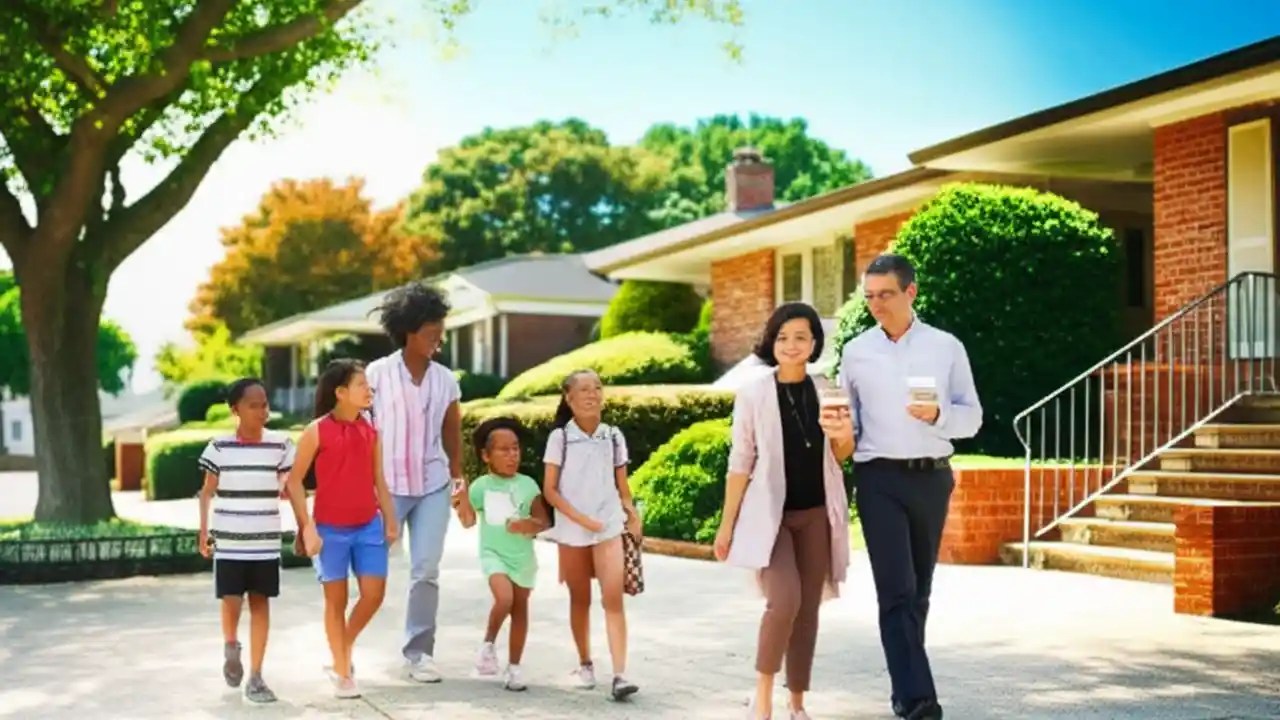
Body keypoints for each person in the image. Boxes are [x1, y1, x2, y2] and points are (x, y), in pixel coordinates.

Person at [837, 254, 982, 720]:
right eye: (870, 296)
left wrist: (939, 414)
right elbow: (848, 421)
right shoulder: (856, 351)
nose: (876, 304)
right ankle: (920, 698)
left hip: (932, 477)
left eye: (886, 294)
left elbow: (973, 418)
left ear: (911, 292)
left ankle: (904, 690)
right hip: (877, 477)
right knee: (896, 589)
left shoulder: (946, 347)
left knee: (919, 592)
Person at [711, 303, 853, 720]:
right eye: (783, 337)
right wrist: (726, 527)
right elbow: (740, 462)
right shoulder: (754, 393)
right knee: (784, 601)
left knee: (808, 609)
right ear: (771, 342)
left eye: (801, 337)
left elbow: (841, 454)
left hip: (816, 515)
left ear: (814, 343)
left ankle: (797, 703)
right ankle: (762, 696)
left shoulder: (827, 389)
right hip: (770, 519)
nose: (791, 345)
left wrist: (843, 434)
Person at [365, 281, 467, 683]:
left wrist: (458, 479)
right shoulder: (376, 375)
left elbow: (452, 432)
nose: (437, 339)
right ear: (408, 331)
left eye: (441, 332)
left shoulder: (446, 380)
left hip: (432, 486)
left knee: (426, 570)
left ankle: (419, 652)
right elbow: (362, 431)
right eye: (430, 333)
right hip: (387, 488)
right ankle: (343, 642)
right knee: (368, 568)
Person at [284, 358, 400, 700]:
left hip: (368, 526)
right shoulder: (317, 430)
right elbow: (293, 482)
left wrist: (391, 519)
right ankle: (343, 671)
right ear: (340, 392)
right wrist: (306, 527)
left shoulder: (371, 431)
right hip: (329, 530)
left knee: (374, 595)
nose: (369, 390)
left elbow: (379, 480)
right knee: (336, 601)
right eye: (361, 384)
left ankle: (341, 648)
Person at [541, 369, 642, 701]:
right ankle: (585, 663)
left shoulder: (613, 436)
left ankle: (620, 675)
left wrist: (631, 514)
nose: (592, 394)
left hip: (609, 527)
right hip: (572, 531)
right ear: (568, 398)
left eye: (597, 387)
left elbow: (622, 487)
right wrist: (583, 520)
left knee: (613, 599)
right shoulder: (560, 438)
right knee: (580, 599)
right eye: (584, 389)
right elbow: (550, 490)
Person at [197, 377, 296, 704]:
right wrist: (204, 531)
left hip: (265, 543)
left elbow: (292, 485)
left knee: (260, 603)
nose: (262, 411)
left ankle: (256, 676)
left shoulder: (281, 445)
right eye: (253, 405)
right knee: (231, 601)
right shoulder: (219, 448)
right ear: (235, 409)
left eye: (264, 404)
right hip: (230, 542)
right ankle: (231, 646)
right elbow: (207, 492)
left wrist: (304, 522)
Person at [456, 416, 550, 691]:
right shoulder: (481, 487)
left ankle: (515, 667)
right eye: (504, 450)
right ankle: (488, 644)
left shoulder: (528, 485)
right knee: (504, 597)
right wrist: (461, 500)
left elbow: (543, 521)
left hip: (522, 558)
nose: (512, 455)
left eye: (515, 448)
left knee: (520, 610)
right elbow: (468, 521)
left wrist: (527, 525)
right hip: (493, 554)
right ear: (486, 456)